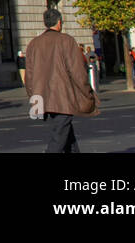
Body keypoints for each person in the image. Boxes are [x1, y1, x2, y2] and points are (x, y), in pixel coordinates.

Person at [24, 8, 98, 152]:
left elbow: (29, 76)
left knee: (65, 133)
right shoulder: (66, 40)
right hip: (62, 97)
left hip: (42, 97)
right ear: (59, 23)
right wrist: (87, 92)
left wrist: (34, 98)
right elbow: (78, 72)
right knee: (59, 137)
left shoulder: (34, 43)